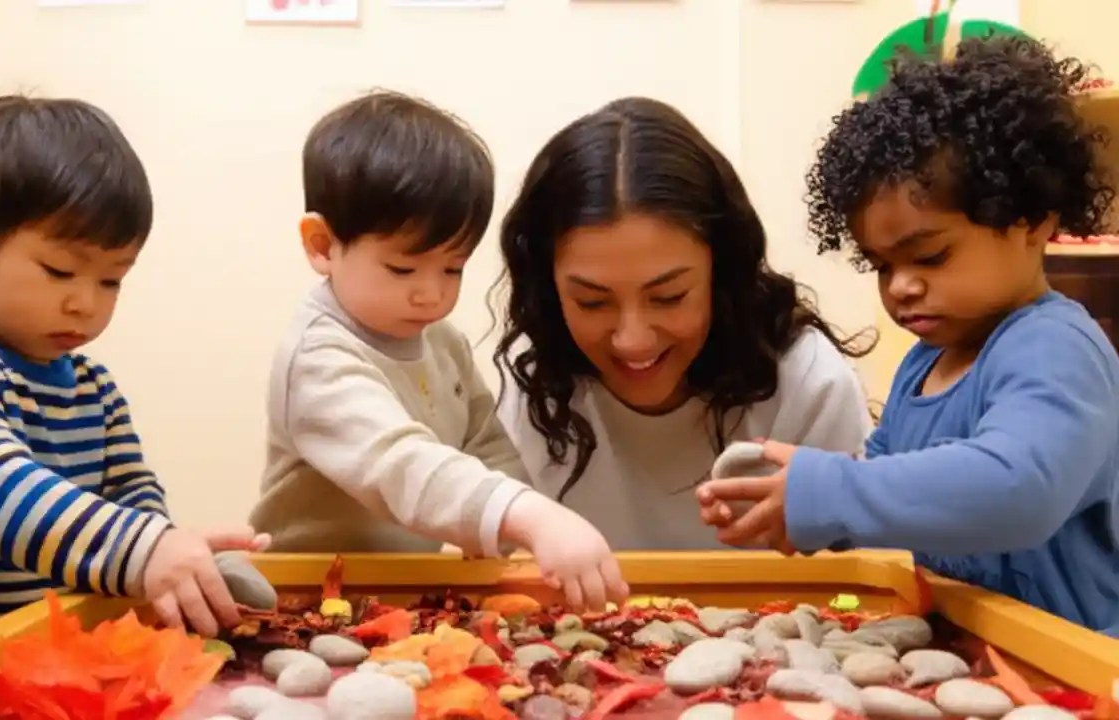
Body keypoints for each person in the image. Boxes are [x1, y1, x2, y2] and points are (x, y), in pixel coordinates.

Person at [698, 36, 1119, 637]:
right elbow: (899, 496)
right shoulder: (924, 365)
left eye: (929, 256)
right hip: (967, 652)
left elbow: (1019, 488)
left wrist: (832, 493)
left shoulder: (1054, 348)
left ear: (1032, 221)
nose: (901, 287)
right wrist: (802, 508)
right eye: (881, 265)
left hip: (1073, 668)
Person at [0, 96, 262, 682]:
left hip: (36, 674)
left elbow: (132, 494)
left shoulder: (96, 389)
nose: (84, 302)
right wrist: (142, 550)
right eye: (59, 271)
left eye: (112, 280)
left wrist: (165, 552)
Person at [248, 90, 627, 611]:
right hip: (306, 593)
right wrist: (530, 515)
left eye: (452, 268)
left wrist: (518, 525)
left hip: (400, 588)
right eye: (403, 269)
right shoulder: (317, 356)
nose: (432, 293)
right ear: (321, 245)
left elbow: (487, 446)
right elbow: (400, 463)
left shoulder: (440, 339)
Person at [491, 96, 875, 550]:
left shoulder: (809, 384)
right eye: (591, 302)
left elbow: (863, 586)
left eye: (669, 297)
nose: (632, 340)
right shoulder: (538, 388)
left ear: (722, 270)